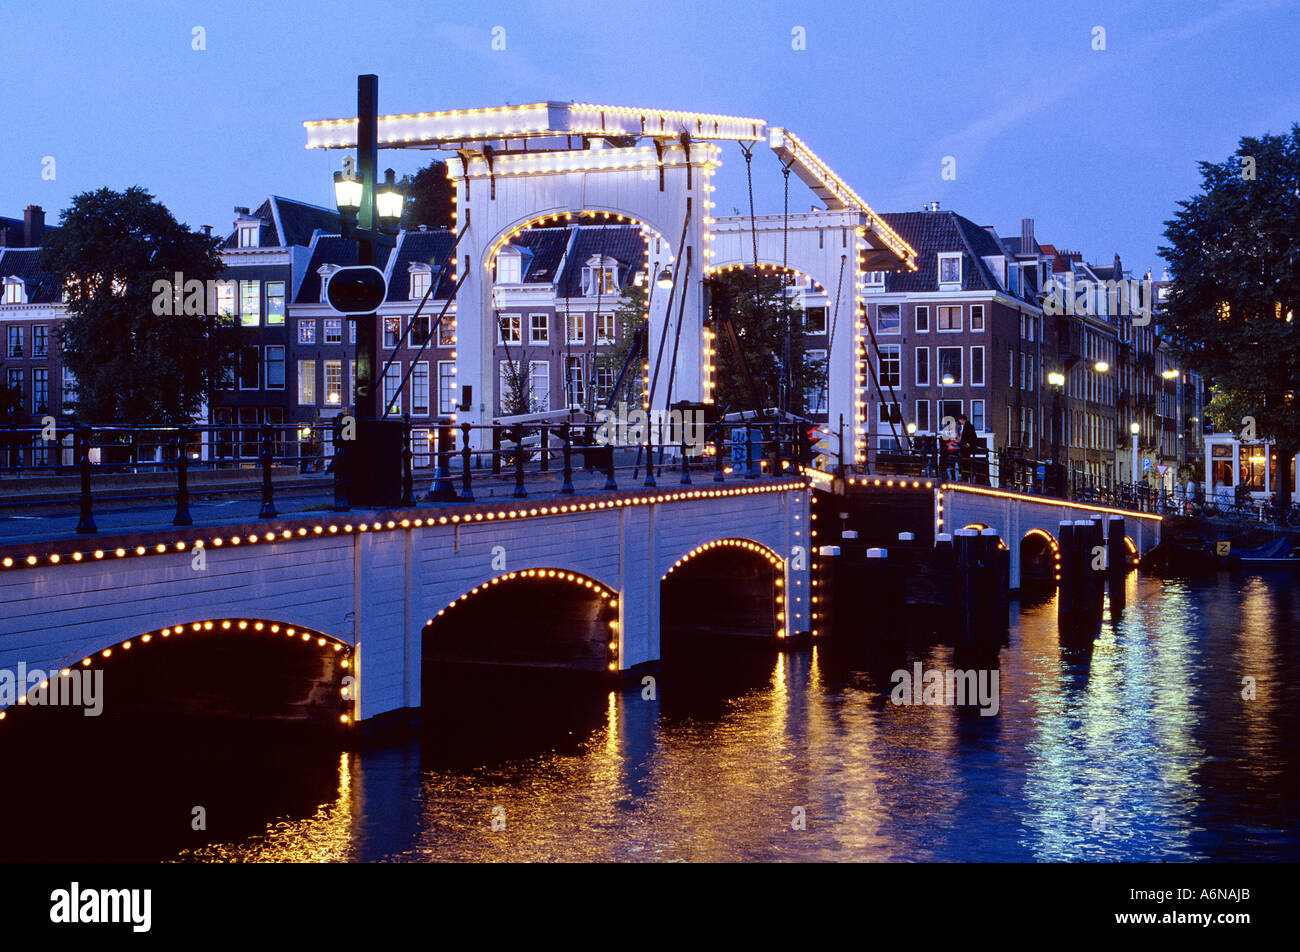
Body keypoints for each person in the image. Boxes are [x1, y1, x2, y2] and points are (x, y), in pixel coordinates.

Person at [957, 413, 979, 482]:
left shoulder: (968, 426)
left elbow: (971, 436)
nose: (960, 422)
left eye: (960, 420)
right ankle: (965, 476)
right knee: (964, 460)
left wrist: (968, 443)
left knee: (964, 461)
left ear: (962, 419)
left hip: (966, 447)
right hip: (965, 446)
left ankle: (965, 476)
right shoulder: (966, 426)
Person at [940, 416, 960, 481]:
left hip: (957, 451)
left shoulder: (959, 432)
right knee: (951, 465)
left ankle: (956, 478)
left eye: (957, 424)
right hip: (950, 452)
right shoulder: (948, 432)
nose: (956, 426)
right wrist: (954, 441)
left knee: (957, 465)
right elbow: (947, 443)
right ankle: (952, 478)